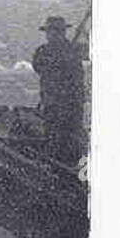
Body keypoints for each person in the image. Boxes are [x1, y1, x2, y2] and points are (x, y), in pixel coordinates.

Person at [32, 16, 87, 164]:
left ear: (63, 32)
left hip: (70, 102)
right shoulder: (43, 51)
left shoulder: (73, 50)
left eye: (57, 31)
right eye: (51, 32)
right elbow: (38, 66)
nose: (53, 35)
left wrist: (65, 57)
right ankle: (56, 162)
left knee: (69, 133)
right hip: (54, 102)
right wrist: (58, 60)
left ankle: (67, 165)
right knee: (55, 133)